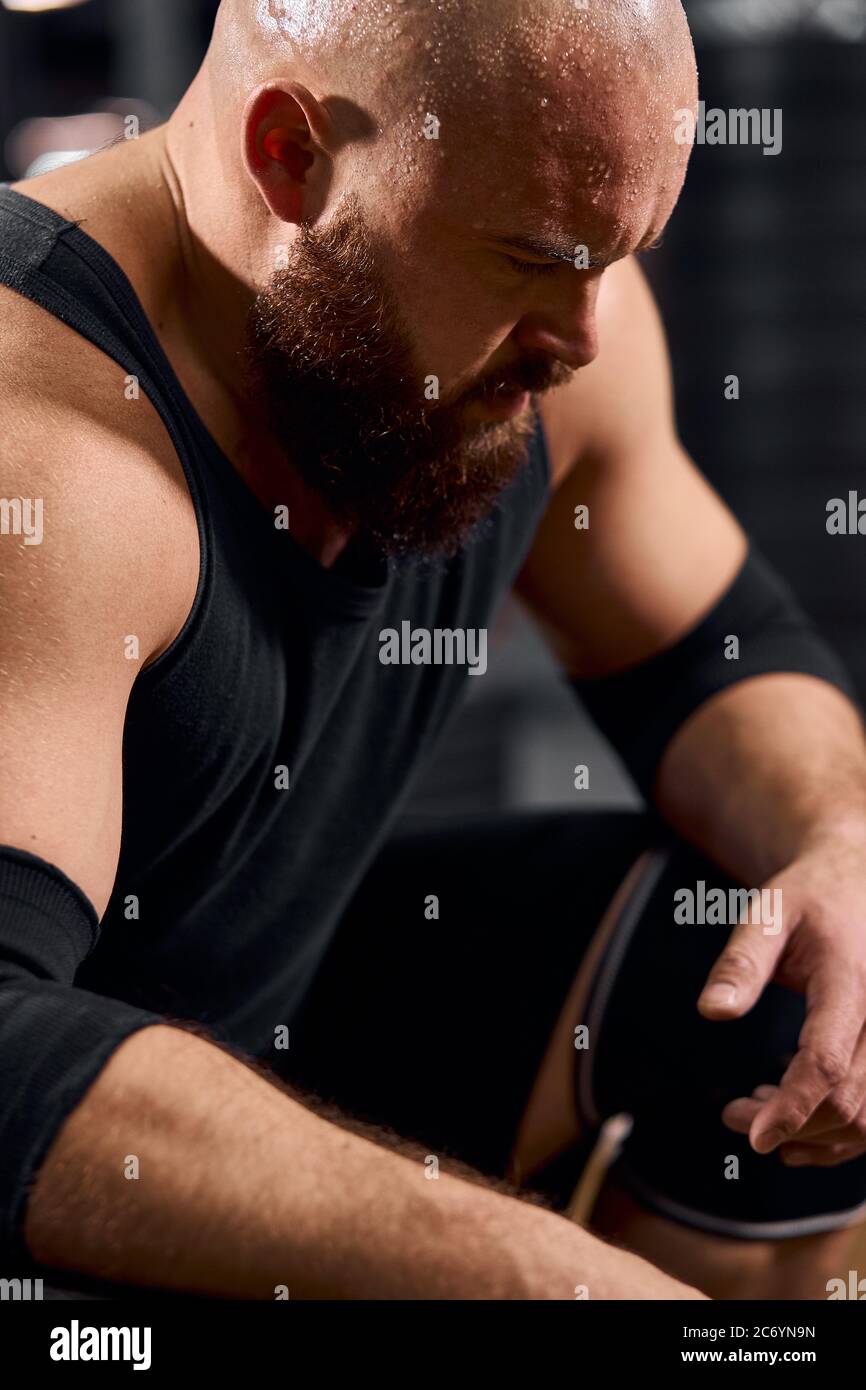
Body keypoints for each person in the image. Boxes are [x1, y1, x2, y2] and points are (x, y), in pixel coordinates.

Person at [1, 0, 865, 1300]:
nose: (582, 338)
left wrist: (841, 841)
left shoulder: (561, 333)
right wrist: (527, 1272)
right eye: (531, 256)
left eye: (610, 257)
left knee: (785, 974)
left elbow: (715, 650)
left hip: (246, 1022)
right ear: (290, 157)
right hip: (52, 1174)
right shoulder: (50, 454)